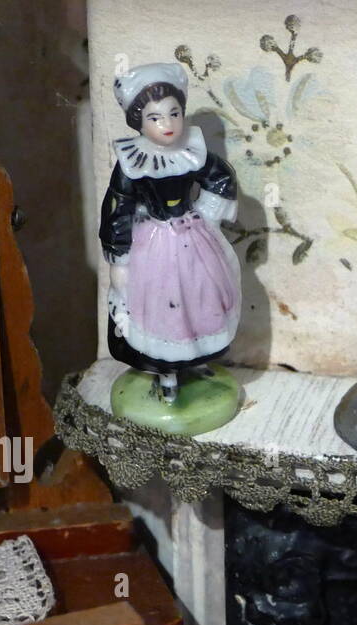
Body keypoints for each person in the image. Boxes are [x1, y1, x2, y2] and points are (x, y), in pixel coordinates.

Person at [100, 62, 239, 404]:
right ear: (138, 121)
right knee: (163, 308)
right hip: (154, 245)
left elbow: (219, 177)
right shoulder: (132, 161)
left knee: (201, 298)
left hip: (193, 238)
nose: (168, 124)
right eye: (155, 117)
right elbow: (118, 208)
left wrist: (208, 213)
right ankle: (167, 372)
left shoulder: (192, 150)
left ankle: (196, 359)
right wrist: (120, 259)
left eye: (174, 113)